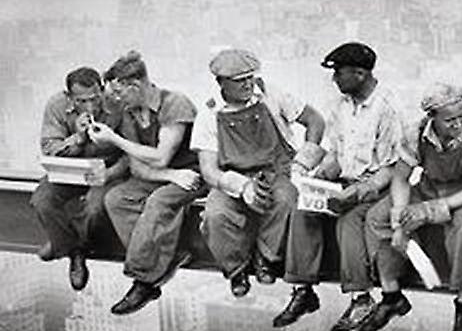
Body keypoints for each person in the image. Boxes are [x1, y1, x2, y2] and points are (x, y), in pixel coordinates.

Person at [272, 42, 408, 331]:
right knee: (303, 211)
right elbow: (335, 153)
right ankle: (303, 290)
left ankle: (361, 298)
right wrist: (316, 177)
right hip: (344, 182)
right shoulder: (340, 106)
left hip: (376, 187)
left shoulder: (388, 109)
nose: (335, 79)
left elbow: (392, 167)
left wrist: (361, 191)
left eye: (339, 73)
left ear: (360, 73)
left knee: (349, 221)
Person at [365, 82, 462, 331]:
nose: (457, 124)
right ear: (432, 117)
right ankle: (391, 295)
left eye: (460, 116)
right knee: (378, 217)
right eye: (449, 120)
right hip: (428, 188)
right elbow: (401, 179)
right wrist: (399, 221)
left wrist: (427, 211)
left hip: (461, 195)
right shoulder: (415, 133)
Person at [193, 48, 326, 297]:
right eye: (239, 80)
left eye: (250, 77)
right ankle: (236, 269)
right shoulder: (209, 113)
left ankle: (266, 258)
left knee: (285, 200)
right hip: (233, 177)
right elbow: (209, 170)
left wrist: (302, 163)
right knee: (215, 215)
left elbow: (315, 121)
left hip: (276, 171)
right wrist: (242, 186)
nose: (248, 84)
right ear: (221, 83)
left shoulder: (270, 94)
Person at [89, 51, 204, 315]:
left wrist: (115, 139)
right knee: (116, 199)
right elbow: (137, 166)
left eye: (120, 92)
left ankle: (143, 281)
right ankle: (169, 257)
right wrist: (169, 176)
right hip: (168, 176)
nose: (118, 99)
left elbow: (161, 156)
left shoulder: (175, 104)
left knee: (159, 202)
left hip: (193, 174)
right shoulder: (130, 113)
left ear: (135, 85)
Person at [32, 66, 128, 291]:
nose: (90, 106)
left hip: (106, 170)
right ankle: (72, 249)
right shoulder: (56, 105)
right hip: (70, 169)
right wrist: (78, 138)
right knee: (42, 201)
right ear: (69, 97)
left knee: (95, 208)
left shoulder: (118, 105)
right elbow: (49, 149)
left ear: (102, 90)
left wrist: (110, 172)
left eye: (94, 99)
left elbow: (130, 152)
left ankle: (63, 244)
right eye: (81, 101)